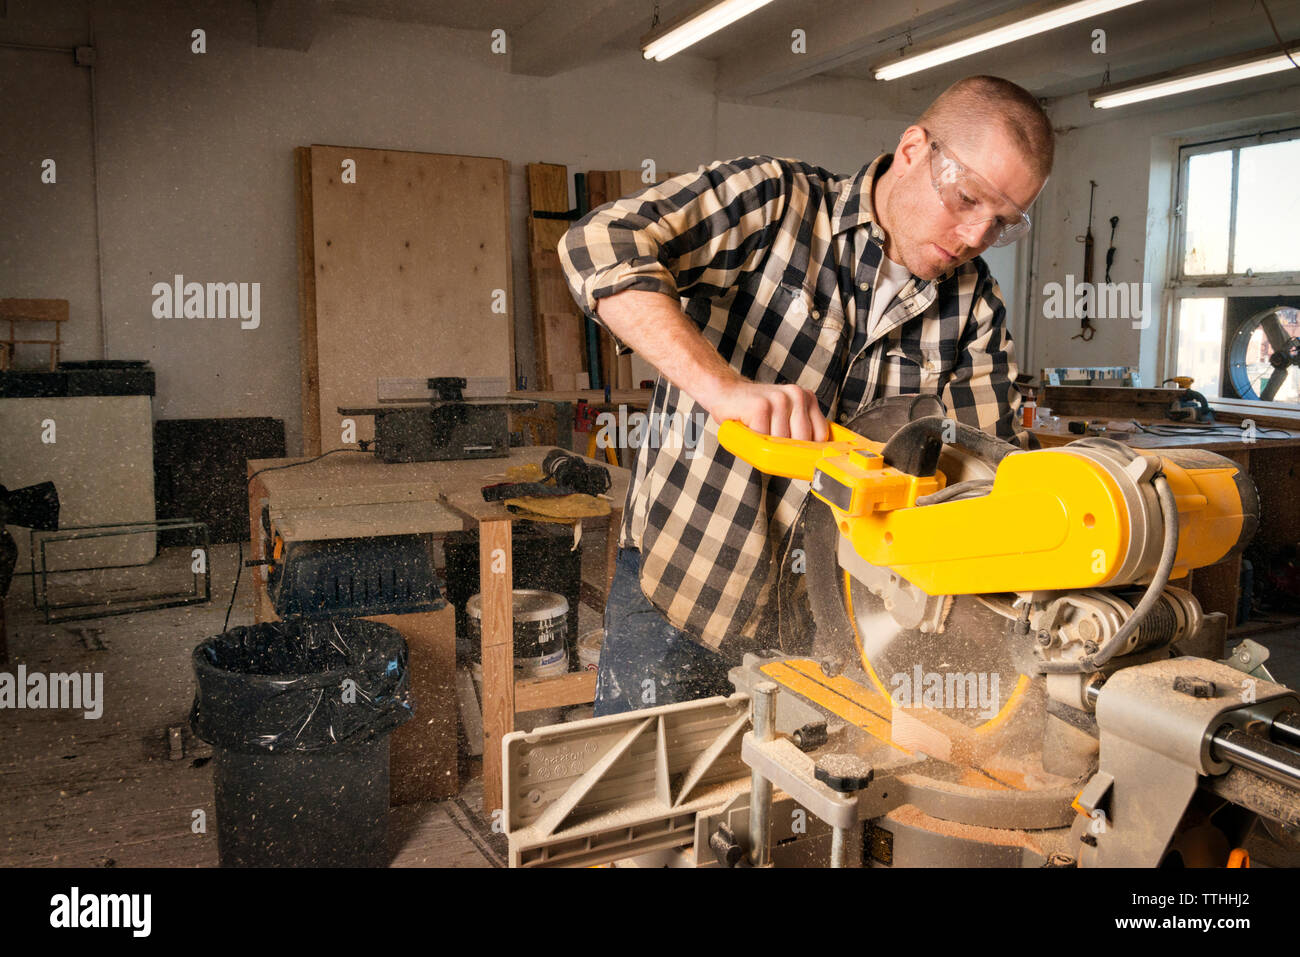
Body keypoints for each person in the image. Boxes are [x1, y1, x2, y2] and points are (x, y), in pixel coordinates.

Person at [559, 75, 1054, 716]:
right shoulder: (775, 204)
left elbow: (982, 477)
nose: (975, 236)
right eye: (966, 199)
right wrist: (722, 388)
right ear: (912, 151)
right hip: (683, 592)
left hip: (837, 627)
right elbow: (597, 244)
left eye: (1003, 223)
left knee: (801, 806)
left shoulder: (974, 306)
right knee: (651, 800)